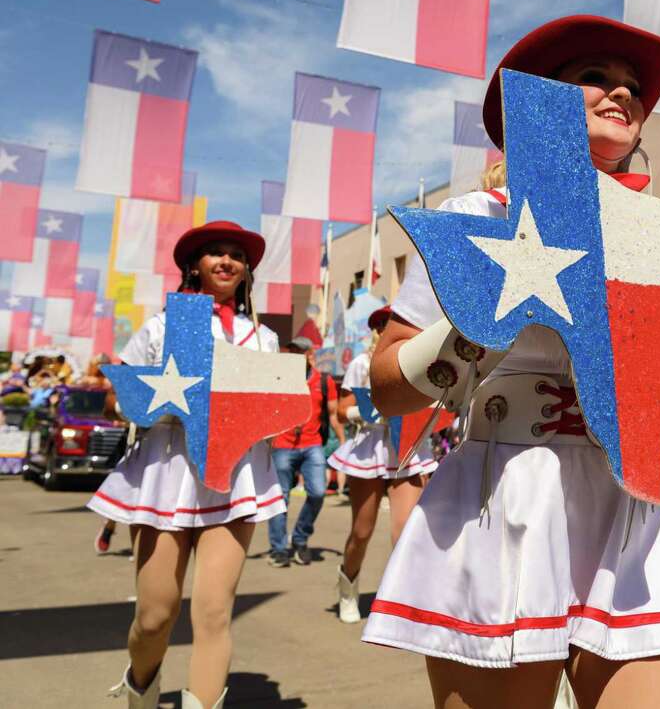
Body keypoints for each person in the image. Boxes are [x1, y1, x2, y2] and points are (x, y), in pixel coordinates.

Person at [364, 16, 660, 709]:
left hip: (638, 503)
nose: (622, 93)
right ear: (538, 102)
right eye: (595, 77)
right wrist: (482, 322)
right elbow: (385, 386)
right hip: (506, 495)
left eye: (632, 87)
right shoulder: (475, 213)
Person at [90, 221, 284, 709]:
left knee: (214, 614)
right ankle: (141, 689)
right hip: (167, 471)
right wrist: (139, 401)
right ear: (194, 266)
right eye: (215, 253)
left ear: (246, 272)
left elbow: (277, 410)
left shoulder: (261, 338)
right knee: (155, 616)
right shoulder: (160, 326)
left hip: (234, 475)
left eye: (236, 255)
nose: (226, 261)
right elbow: (119, 398)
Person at [330, 306, 436, 624]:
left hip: (408, 450)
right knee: (361, 531)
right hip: (370, 449)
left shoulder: (425, 365)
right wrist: (373, 409)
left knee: (405, 531)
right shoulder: (363, 364)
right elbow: (341, 411)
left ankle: (400, 603)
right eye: (383, 326)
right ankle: (348, 587)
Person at [265, 336, 335, 568]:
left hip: (312, 444)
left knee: (317, 493)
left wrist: (344, 441)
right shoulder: (278, 378)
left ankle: (300, 538)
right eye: (292, 350)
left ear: (309, 355)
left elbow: (333, 414)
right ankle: (278, 549)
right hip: (282, 445)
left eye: (300, 351)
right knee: (280, 498)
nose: (295, 355)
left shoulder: (323, 381)